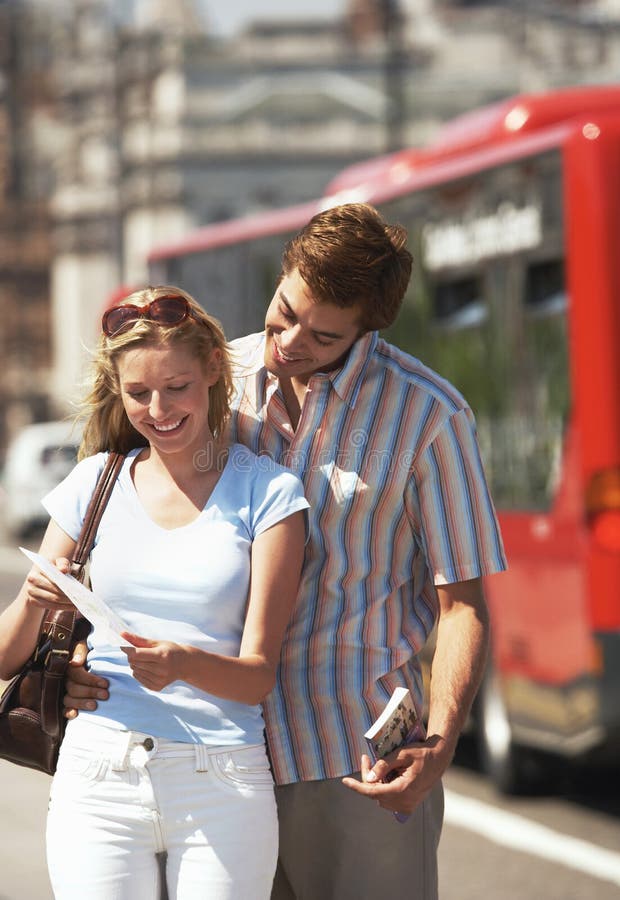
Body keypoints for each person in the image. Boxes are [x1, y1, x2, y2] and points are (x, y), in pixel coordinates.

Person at [64, 204, 507, 900]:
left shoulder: (430, 416)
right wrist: (86, 649)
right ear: (282, 274)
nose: (290, 341)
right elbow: (122, 519)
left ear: (368, 328)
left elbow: (463, 603)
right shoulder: (208, 373)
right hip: (207, 759)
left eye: (323, 334)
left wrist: (442, 740)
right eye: (284, 311)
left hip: (354, 760)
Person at [0, 286, 308, 900]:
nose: (158, 408)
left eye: (176, 387)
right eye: (138, 393)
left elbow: (257, 677)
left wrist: (183, 665)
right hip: (98, 771)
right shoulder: (94, 482)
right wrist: (37, 600)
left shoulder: (269, 494)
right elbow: (4, 659)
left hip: (221, 780)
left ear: (214, 369)